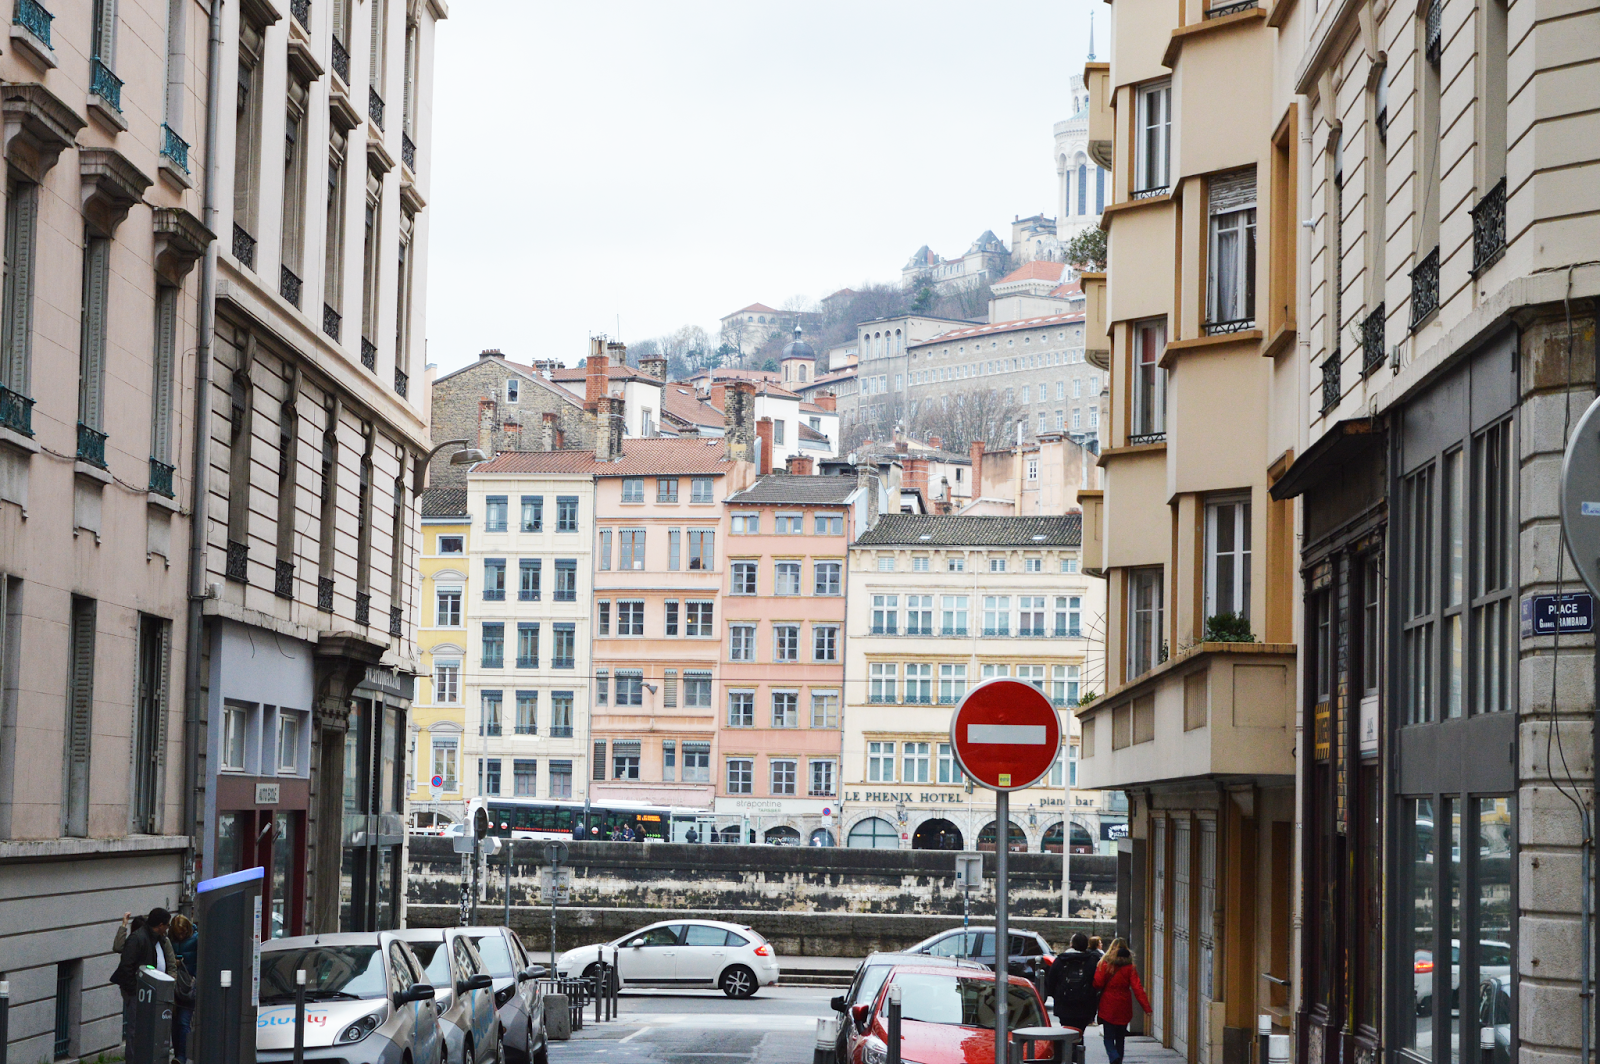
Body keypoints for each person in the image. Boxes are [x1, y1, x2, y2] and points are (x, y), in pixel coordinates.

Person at [111, 907, 174, 1046]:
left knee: (147, 1030)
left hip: (153, 991)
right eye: (167, 925)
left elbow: (170, 964)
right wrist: (134, 990)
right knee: (136, 1030)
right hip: (140, 992)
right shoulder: (139, 939)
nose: (168, 929)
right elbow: (125, 964)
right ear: (160, 925)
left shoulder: (159, 940)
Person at [1094, 946, 1152, 1064]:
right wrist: (1146, 1008)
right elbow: (1138, 989)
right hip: (1124, 1005)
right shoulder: (1130, 969)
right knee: (1120, 1037)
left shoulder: (1106, 966)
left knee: (1108, 1037)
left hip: (1108, 1004)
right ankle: (1118, 1059)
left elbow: (1098, 983)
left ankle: (1113, 1056)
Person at [1046, 932, 1104, 1030]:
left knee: (1067, 1031)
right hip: (1085, 1005)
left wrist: (1056, 995)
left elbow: (1051, 981)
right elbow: (1097, 981)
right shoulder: (1092, 961)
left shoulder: (1061, 960)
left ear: (1071, 944)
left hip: (1064, 1004)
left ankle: (1070, 1045)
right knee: (1080, 1031)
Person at [168, 914, 198, 1063]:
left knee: (183, 1022)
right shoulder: (169, 939)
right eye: (178, 932)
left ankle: (181, 1056)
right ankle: (177, 1054)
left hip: (188, 986)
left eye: (183, 932)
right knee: (174, 1023)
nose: (181, 935)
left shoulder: (196, 939)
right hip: (174, 986)